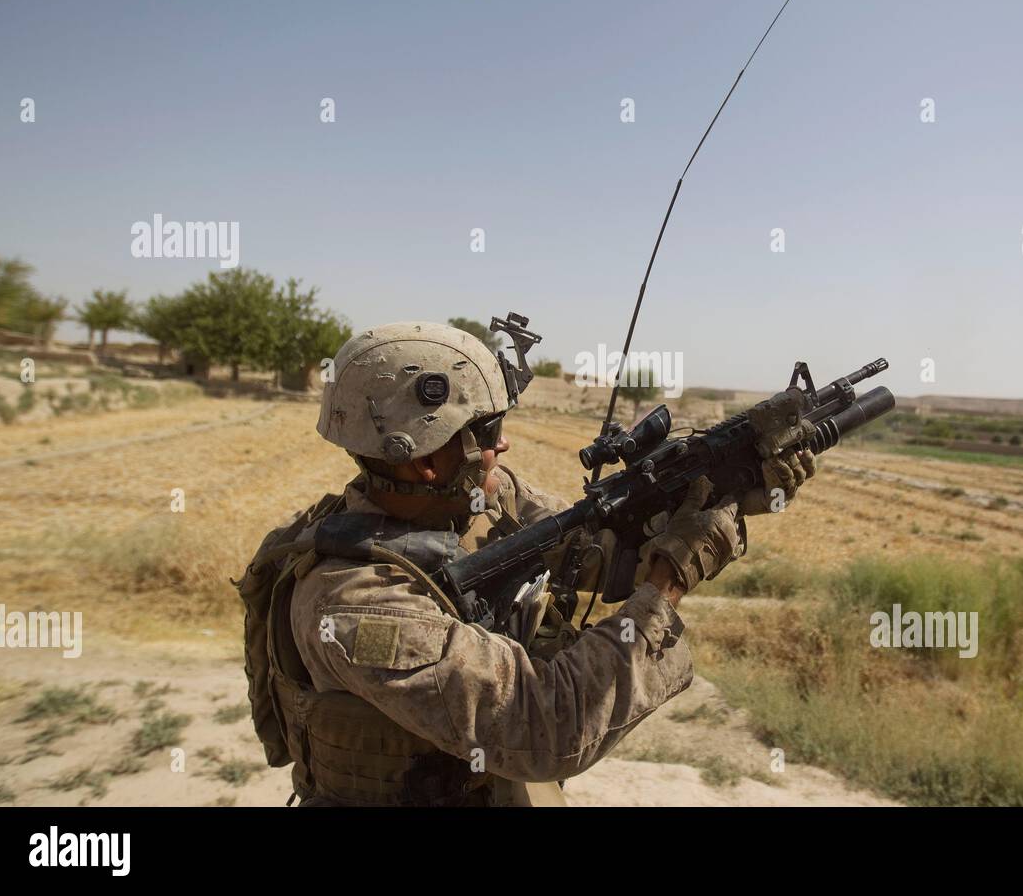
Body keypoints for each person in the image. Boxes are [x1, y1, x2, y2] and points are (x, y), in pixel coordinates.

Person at [237, 321, 814, 806]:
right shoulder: (353, 603)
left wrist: (724, 492)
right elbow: (546, 725)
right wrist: (670, 583)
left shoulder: (480, 503)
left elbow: (599, 553)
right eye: (489, 430)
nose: (503, 444)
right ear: (429, 462)